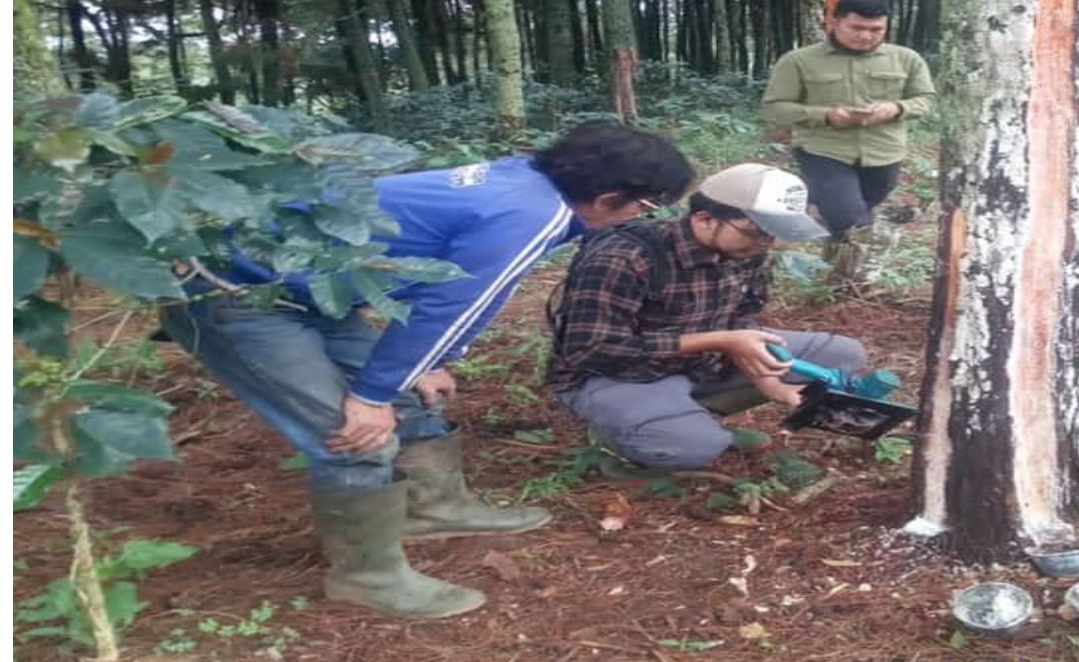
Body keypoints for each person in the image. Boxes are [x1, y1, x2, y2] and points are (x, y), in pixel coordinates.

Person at [162, 121, 692, 619]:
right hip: (240, 296)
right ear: (607, 197)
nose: (642, 217)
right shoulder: (528, 212)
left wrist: (428, 364)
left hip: (314, 295)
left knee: (409, 398)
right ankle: (367, 576)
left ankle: (433, 507)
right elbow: (453, 304)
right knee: (355, 435)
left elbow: (461, 287)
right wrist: (371, 397)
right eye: (646, 206)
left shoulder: (528, 182)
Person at [545, 163, 869, 469]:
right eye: (757, 232)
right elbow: (590, 350)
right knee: (693, 447)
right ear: (705, 219)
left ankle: (683, 413)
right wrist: (720, 341)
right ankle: (622, 433)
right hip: (620, 375)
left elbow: (745, 313)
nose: (766, 243)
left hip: (702, 363)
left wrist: (769, 381)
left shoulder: (745, 250)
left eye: (774, 235)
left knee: (841, 355)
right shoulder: (625, 257)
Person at [761, 0, 936, 281]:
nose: (866, 36)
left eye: (876, 29)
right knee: (853, 220)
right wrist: (826, 115)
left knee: (851, 217)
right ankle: (855, 284)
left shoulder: (906, 59)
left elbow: (926, 99)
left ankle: (831, 269)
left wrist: (895, 108)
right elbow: (774, 108)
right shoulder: (798, 61)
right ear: (833, 23)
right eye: (856, 28)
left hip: (884, 153)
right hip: (823, 152)